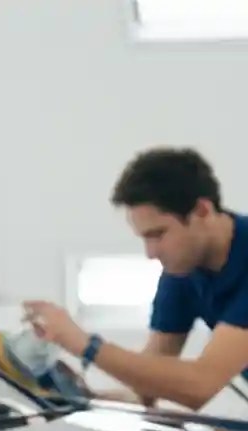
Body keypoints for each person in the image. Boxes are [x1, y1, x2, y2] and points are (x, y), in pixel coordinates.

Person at [23, 147, 248, 412]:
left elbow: (199, 385)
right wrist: (80, 397)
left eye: (158, 234)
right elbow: (146, 388)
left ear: (202, 211)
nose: (151, 253)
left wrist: (84, 344)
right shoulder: (183, 271)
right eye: (144, 238)